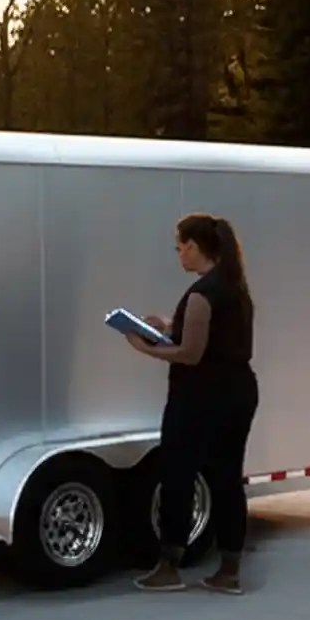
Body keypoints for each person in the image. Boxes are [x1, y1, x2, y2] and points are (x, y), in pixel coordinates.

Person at [122, 212, 260, 595]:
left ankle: (169, 566)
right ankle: (229, 570)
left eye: (179, 247)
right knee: (228, 477)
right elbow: (212, 337)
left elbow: (191, 353)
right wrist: (168, 324)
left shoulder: (201, 293)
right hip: (238, 391)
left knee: (178, 476)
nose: (178, 254)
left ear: (194, 246)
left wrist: (144, 345)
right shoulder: (234, 287)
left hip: (200, 397)